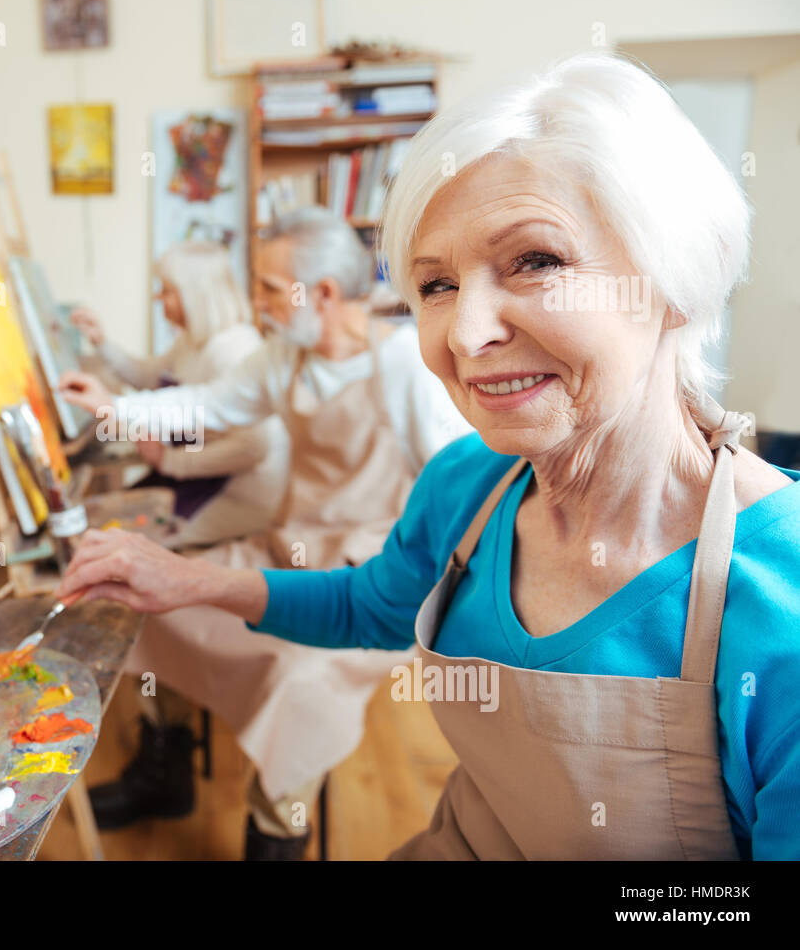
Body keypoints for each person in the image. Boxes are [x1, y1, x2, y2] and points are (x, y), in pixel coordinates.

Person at [57, 52, 800, 860]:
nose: (466, 334)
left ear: (674, 279)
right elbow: (372, 607)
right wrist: (184, 579)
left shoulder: (777, 606)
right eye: (436, 285)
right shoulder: (468, 489)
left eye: (535, 260)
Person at [61, 207, 471, 859]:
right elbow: (207, 403)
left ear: (326, 294)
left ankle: (275, 829)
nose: (259, 303)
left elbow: (459, 506)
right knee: (150, 606)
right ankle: (163, 773)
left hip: (369, 582)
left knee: (299, 687)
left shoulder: (407, 368)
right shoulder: (285, 358)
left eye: (272, 289)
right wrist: (114, 408)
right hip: (287, 549)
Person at [71, 241, 288, 547]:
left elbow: (253, 448)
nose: (158, 298)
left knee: (112, 538)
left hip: (236, 491)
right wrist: (102, 343)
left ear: (195, 295)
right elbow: (149, 377)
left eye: (166, 290)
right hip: (197, 478)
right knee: (101, 523)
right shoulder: (192, 341)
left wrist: (169, 460)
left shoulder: (234, 348)